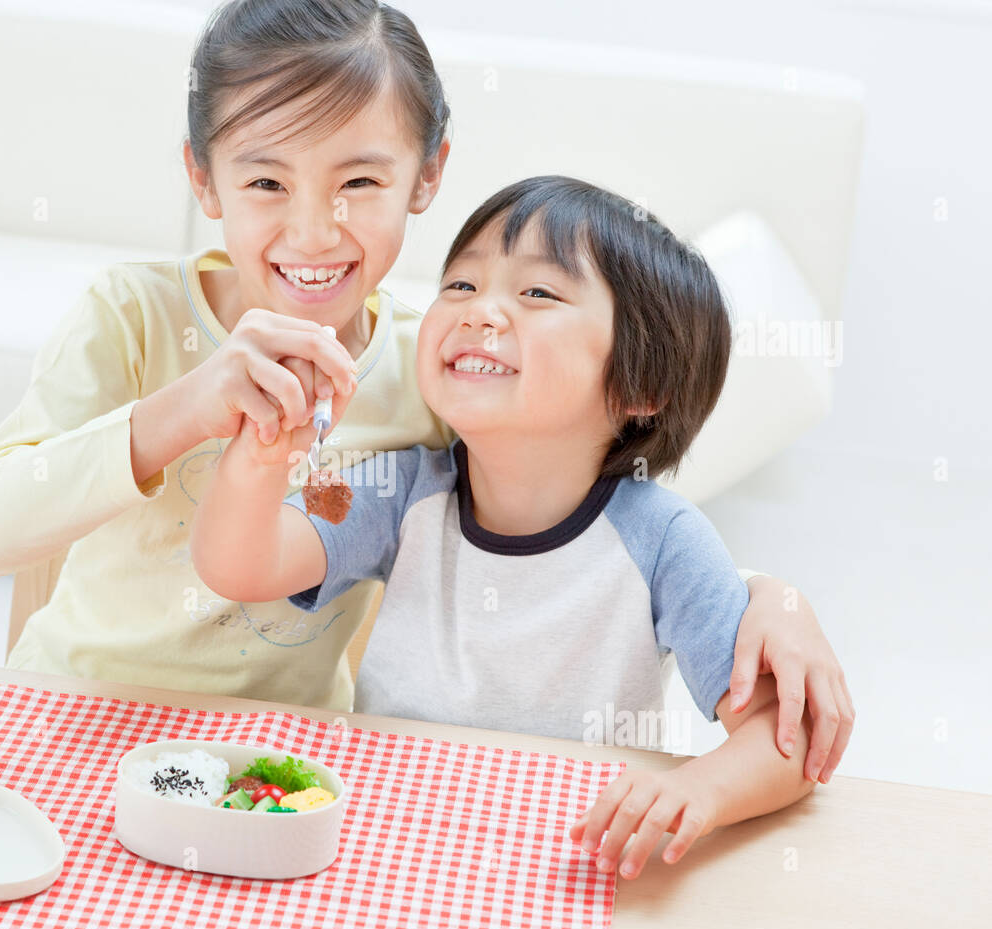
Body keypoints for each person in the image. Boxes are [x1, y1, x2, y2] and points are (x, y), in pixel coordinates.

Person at [0, 0, 851, 782]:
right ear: (200, 178)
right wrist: (186, 408)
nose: (312, 231)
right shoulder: (131, 314)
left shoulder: (434, 367)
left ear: (428, 175)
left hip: (285, 762)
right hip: (77, 717)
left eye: (360, 181)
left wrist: (765, 595)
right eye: (264, 180)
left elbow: (581, 505)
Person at [190, 175, 850, 876]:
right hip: (385, 845)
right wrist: (260, 459)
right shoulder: (397, 490)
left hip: (571, 865)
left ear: (640, 387)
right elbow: (240, 565)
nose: (480, 311)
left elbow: (789, 739)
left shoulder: (664, 541)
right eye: (462, 285)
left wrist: (695, 789)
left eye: (538, 293)